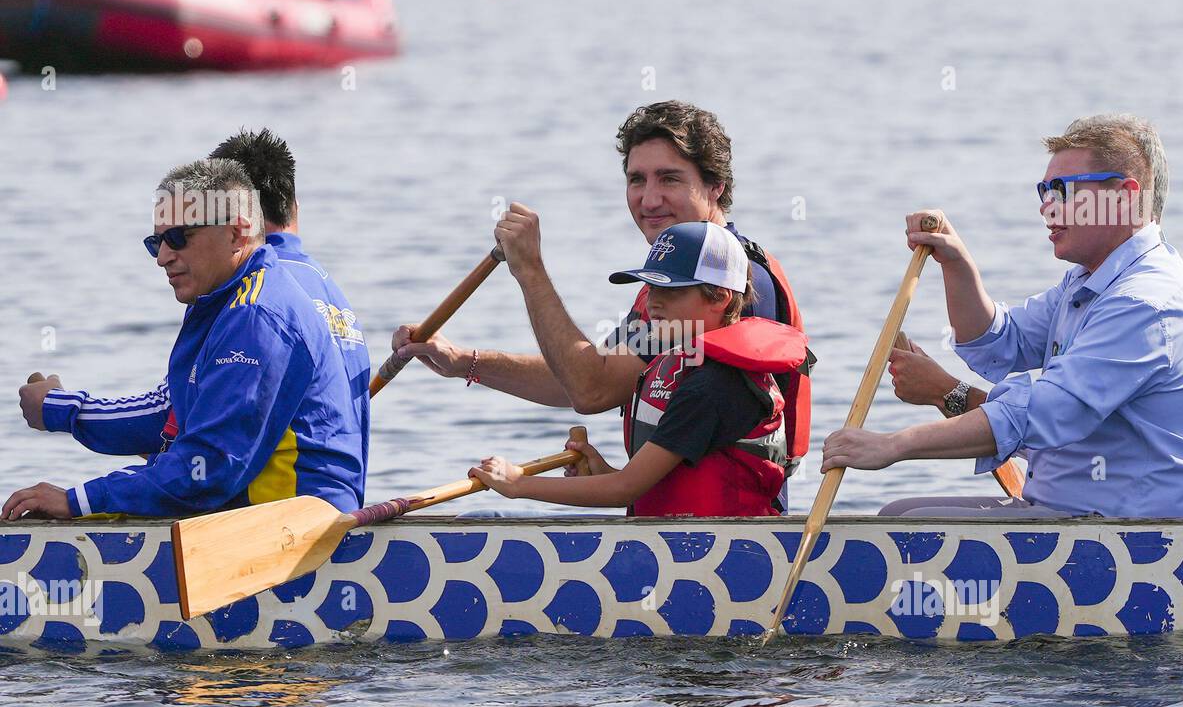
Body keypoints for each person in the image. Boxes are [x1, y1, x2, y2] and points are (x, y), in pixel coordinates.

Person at [393, 100, 809, 499]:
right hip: (674, 526)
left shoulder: (728, 287)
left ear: (715, 186)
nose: (648, 200)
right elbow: (583, 373)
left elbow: (591, 389)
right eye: (636, 180)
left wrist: (530, 272)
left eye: (669, 178)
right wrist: (464, 361)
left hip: (730, 540)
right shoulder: (675, 284)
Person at [822, 114, 1183, 519]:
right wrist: (956, 263)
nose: (1046, 207)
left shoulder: (1144, 303)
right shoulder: (1090, 283)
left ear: (1124, 195)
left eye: (1061, 190)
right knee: (900, 511)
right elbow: (1002, 343)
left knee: (905, 526)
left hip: (1150, 538)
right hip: (1086, 516)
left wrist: (894, 445)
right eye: (1043, 191)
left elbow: (1042, 413)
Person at [2, 159, 365, 520]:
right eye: (156, 242)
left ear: (236, 234)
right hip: (256, 511)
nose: (162, 257)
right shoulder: (223, 300)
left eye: (178, 238)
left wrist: (77, 500)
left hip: (293, 530)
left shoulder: (256, 317)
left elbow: (208, 469)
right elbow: (183, 433)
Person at [469, 222, 809, 517]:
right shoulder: (691, 370)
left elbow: (625, 490)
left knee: (485, 517)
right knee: (484, 516)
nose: (652, 301)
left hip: (718, 555)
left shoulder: (714, 385)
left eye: (671, 289)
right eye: (652, 287)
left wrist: (517, 484)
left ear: (719, 297)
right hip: (680, 543)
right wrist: (602, 472)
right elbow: (641, 483)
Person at [209, 128, 369, 459]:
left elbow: (194, 431)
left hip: (276, 503)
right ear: (294, 206)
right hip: (335, 498)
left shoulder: (252, 293)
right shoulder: (330, 289)